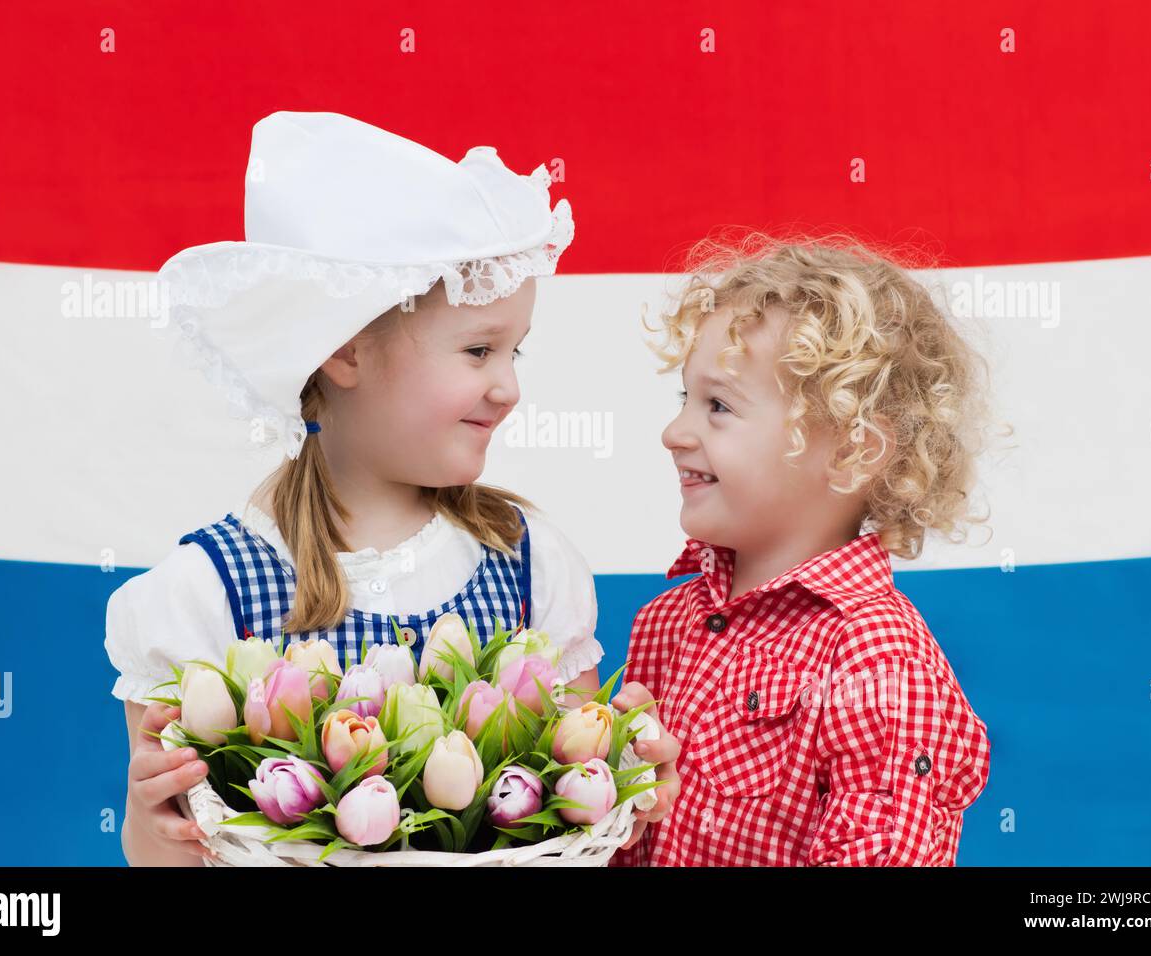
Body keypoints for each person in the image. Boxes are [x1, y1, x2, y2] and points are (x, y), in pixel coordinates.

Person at [104, 111, 679, 866]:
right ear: (344, 352)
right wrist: (154, 831)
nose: (507, 388)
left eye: (514, 352)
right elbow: (167, 849)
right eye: (477, 350)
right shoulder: (205, 597)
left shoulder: (527, 562)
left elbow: (575, 815)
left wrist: (626, 785)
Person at [609, 234, 995, 866]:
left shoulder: (878, 658)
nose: (674, 432)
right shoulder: (664, 623)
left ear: (852, 451)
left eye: (719, 406)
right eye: (686, 399)